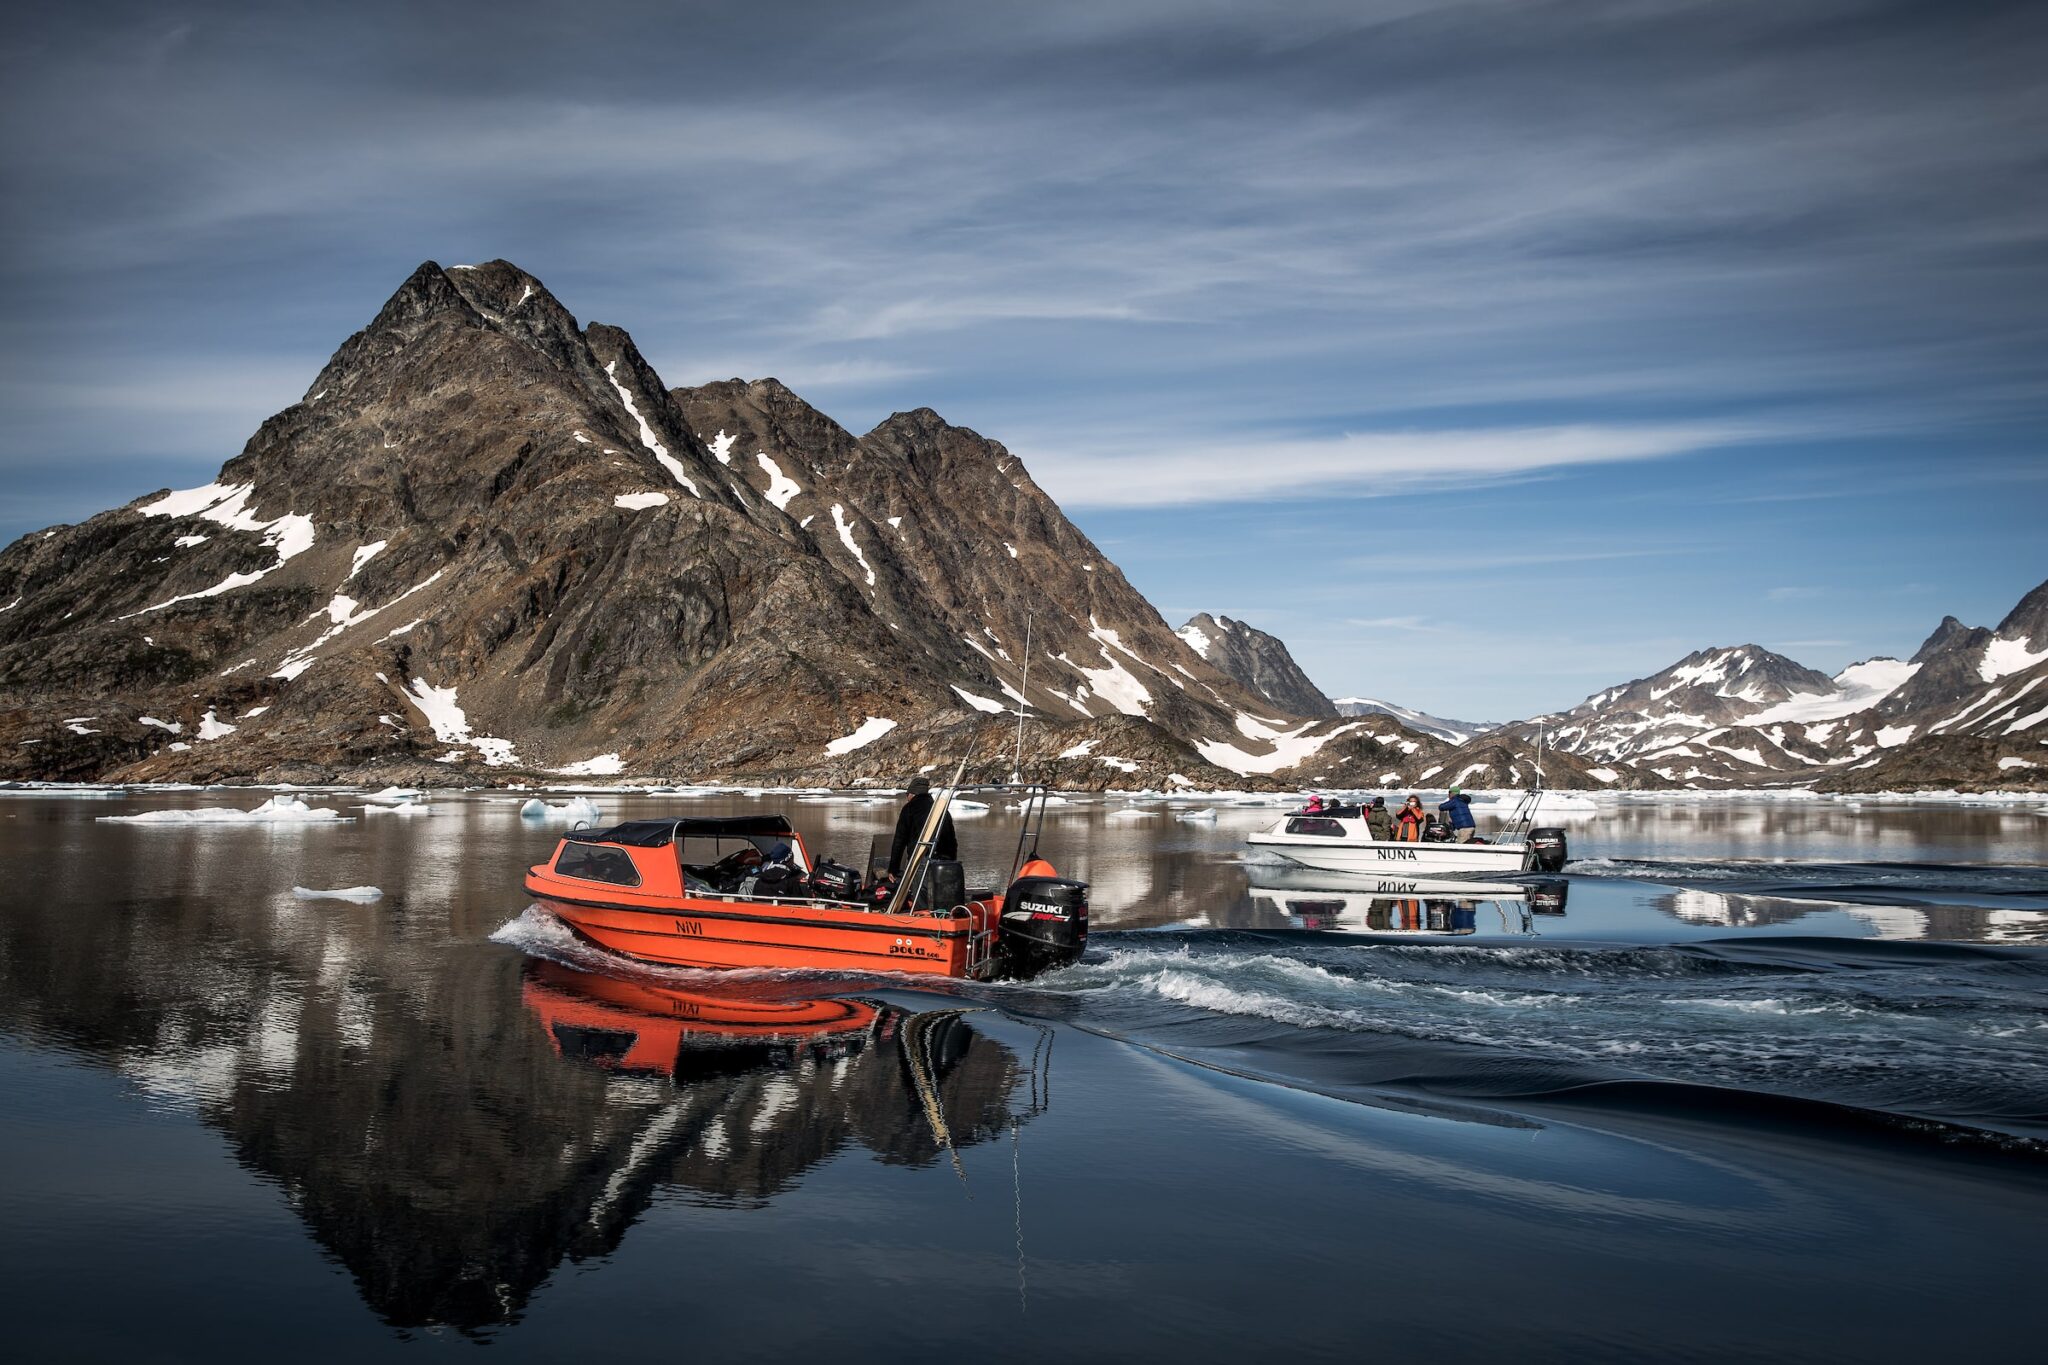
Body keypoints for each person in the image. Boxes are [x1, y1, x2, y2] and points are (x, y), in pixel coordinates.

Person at [888, 775, 958, 877]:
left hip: (920, 860)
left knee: (921, 891)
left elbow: (899, 840)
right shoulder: (941, 809)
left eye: (907, 795)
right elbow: (952, 840)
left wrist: (893, 869)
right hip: (944, 862)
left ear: (911, 794)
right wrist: (952, 862)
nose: (907, 798)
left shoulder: (909, 809)